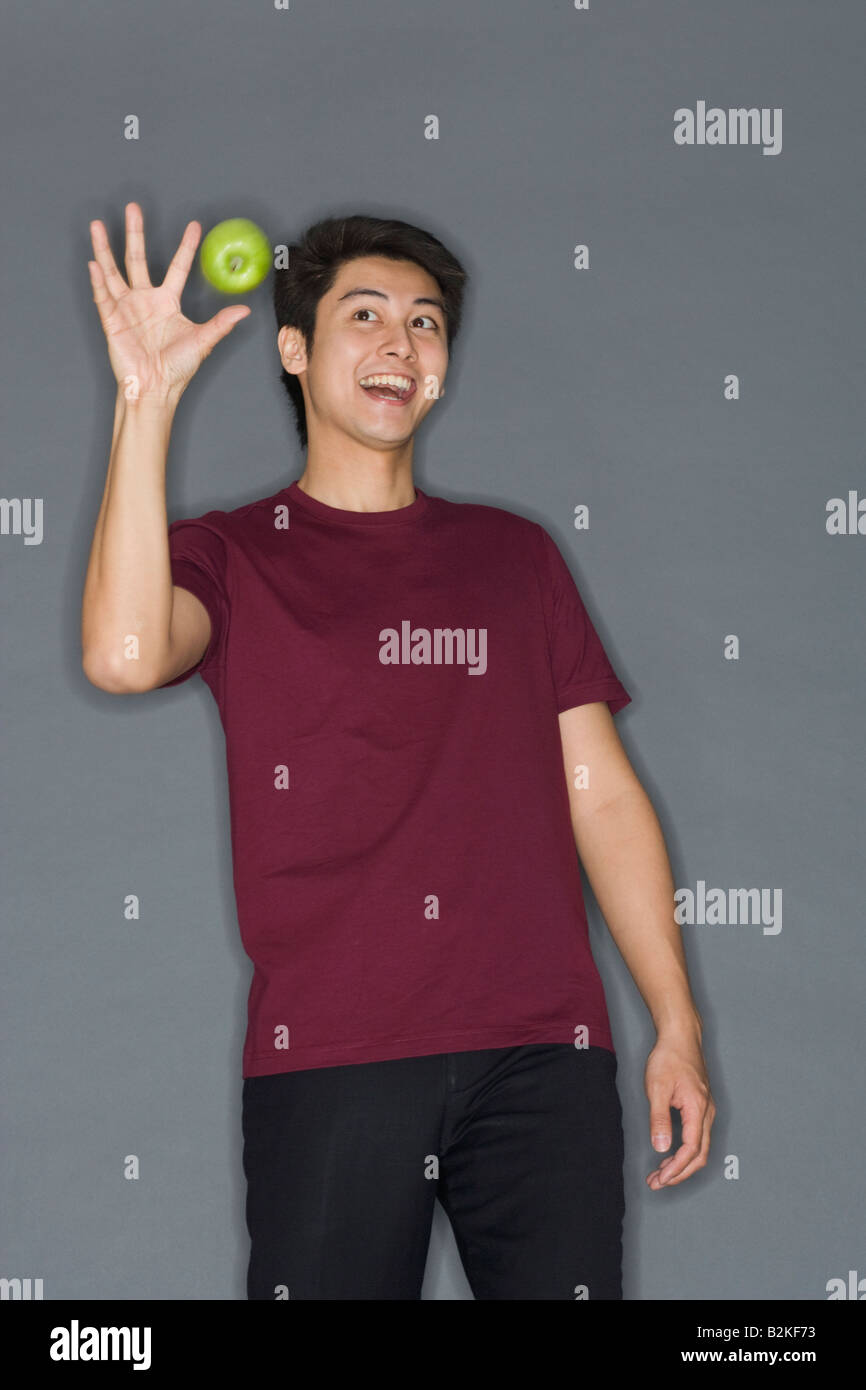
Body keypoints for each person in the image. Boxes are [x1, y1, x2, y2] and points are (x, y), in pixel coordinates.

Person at [81, 201, 716, 1301]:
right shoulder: (233, 555)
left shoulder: (514, 558)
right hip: (332, 1057)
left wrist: (674, 1020)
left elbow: (600, 797)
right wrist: (144, 402)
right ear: (295, 350)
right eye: (363, 315)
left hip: (541, 1059)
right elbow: (125, 655)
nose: (399, 344)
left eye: (425, 324)